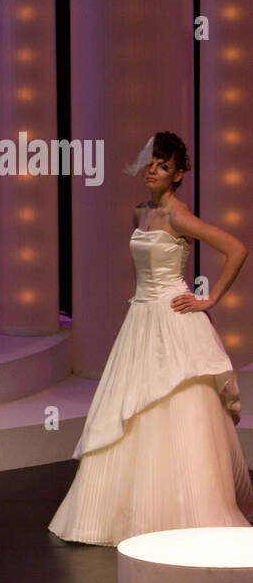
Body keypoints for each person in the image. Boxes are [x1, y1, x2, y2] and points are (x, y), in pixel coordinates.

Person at [49, 131, 253, 544]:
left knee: (177, 406)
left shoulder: (179, 216)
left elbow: (236, 249)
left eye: (163, 165)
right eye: (151, 163)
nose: (153, 171)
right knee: (134, 410)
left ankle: (189, 510)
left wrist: (208, 298)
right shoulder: (139, 213)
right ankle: (121, 515)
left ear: (178, 174)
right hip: (140, 319)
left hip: (173, 316)